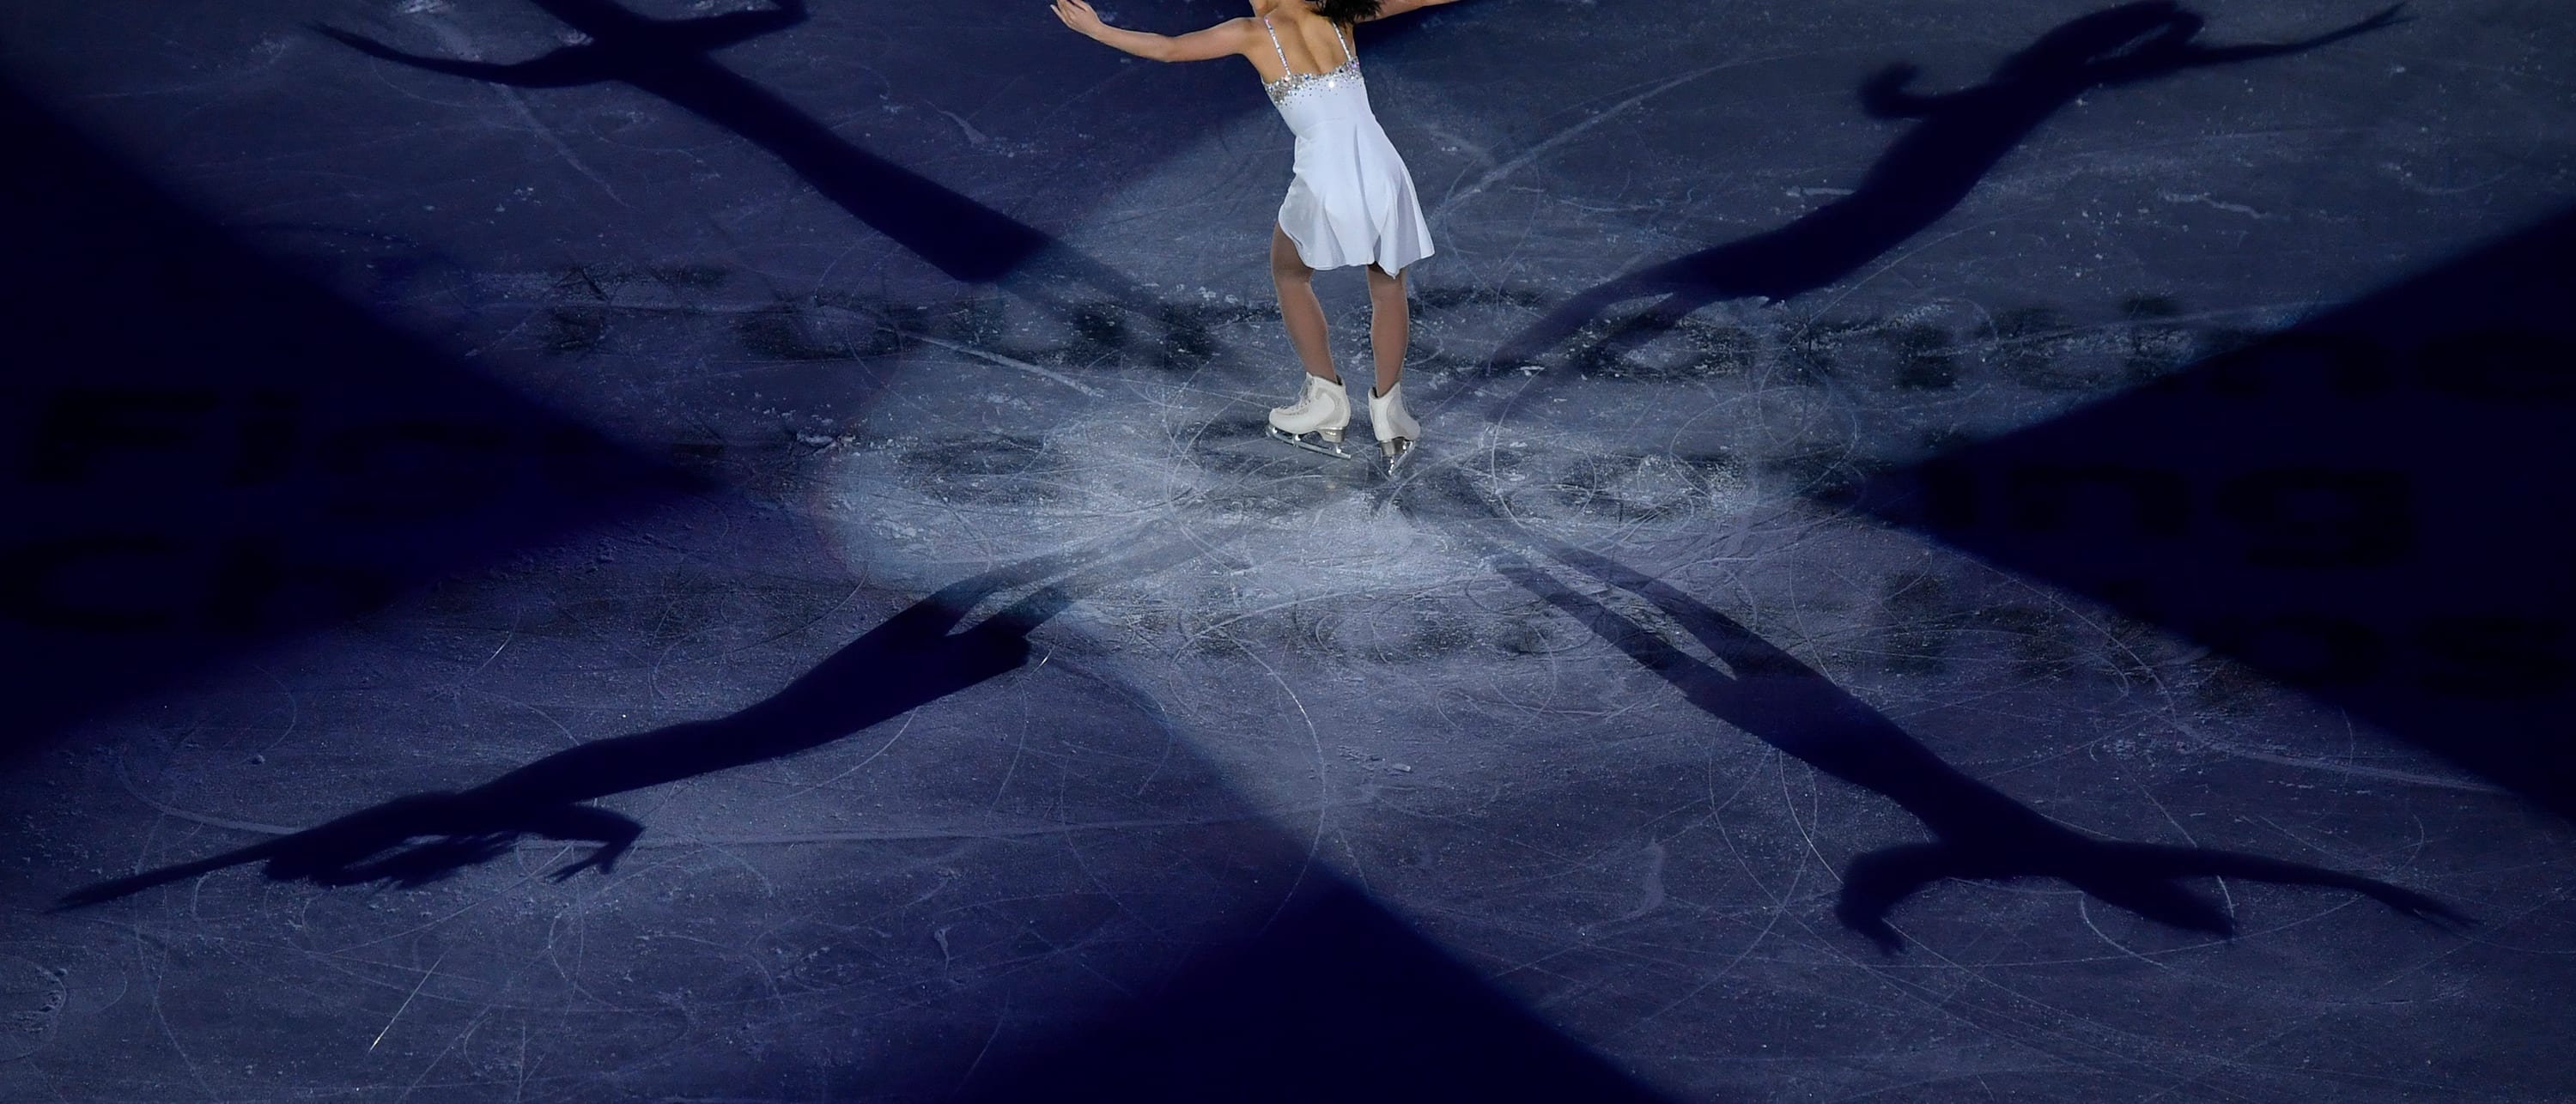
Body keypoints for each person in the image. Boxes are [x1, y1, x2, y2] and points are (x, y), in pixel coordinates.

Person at [1052, 0, 1455, 471]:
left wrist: (1097, 30)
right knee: (1388, 286)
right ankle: (1391, 418)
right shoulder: (1335, 10)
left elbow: (1168, 49)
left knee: (1289, 272)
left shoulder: (1252, 32)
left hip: (1326, 177)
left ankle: (1326, 398)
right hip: (1382, 168)